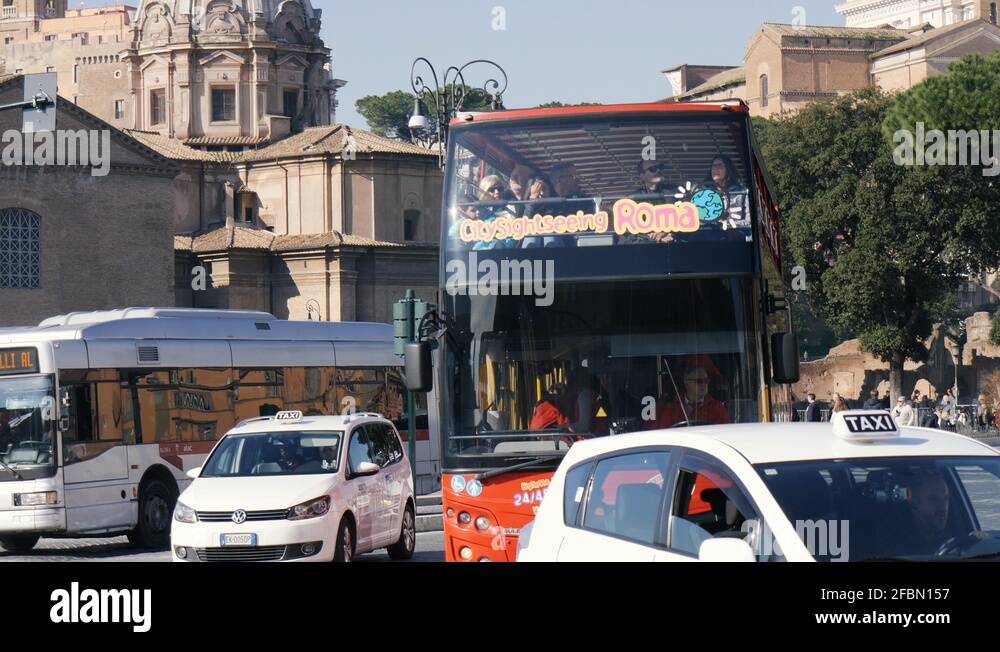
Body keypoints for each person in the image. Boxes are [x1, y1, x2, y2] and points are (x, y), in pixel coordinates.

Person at [651, 355, 730, 428]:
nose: (704, 384)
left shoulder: (716, 407)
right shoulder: (672, 408)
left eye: (706, 381)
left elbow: (724, 432)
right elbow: (664, 433)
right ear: (686, 383)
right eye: (699, 381)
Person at [701, 155, 750, 233]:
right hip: (709, 237)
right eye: (713, 166)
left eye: (719, 165)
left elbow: (751, 221)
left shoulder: (741, 192)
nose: (715, 169)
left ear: (728, 169)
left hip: (736, 238)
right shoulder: (703, 194)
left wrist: (727, 224)